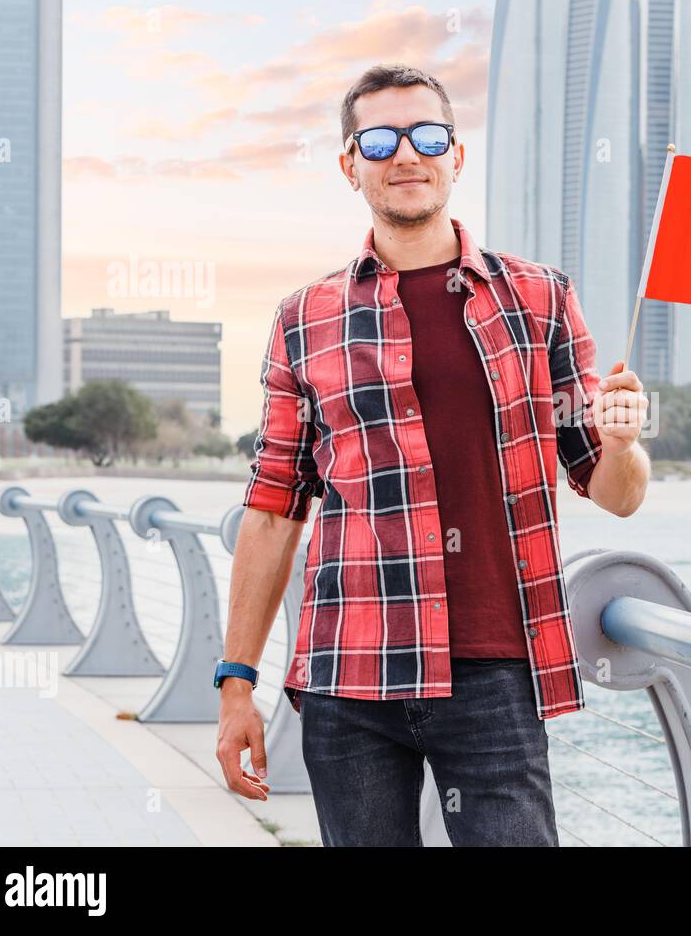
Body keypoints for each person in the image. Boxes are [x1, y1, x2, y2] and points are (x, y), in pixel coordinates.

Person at [214, 64, 650, 846]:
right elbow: (275, 506)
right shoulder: (303, 319)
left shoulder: (540, 297)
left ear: (456, 156)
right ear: (350, 165)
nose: (405, 155)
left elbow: (613, 491)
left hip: (494, 670)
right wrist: (236, 683)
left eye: (427, 135)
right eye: (378, 140)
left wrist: (622, 443)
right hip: (350, 674)